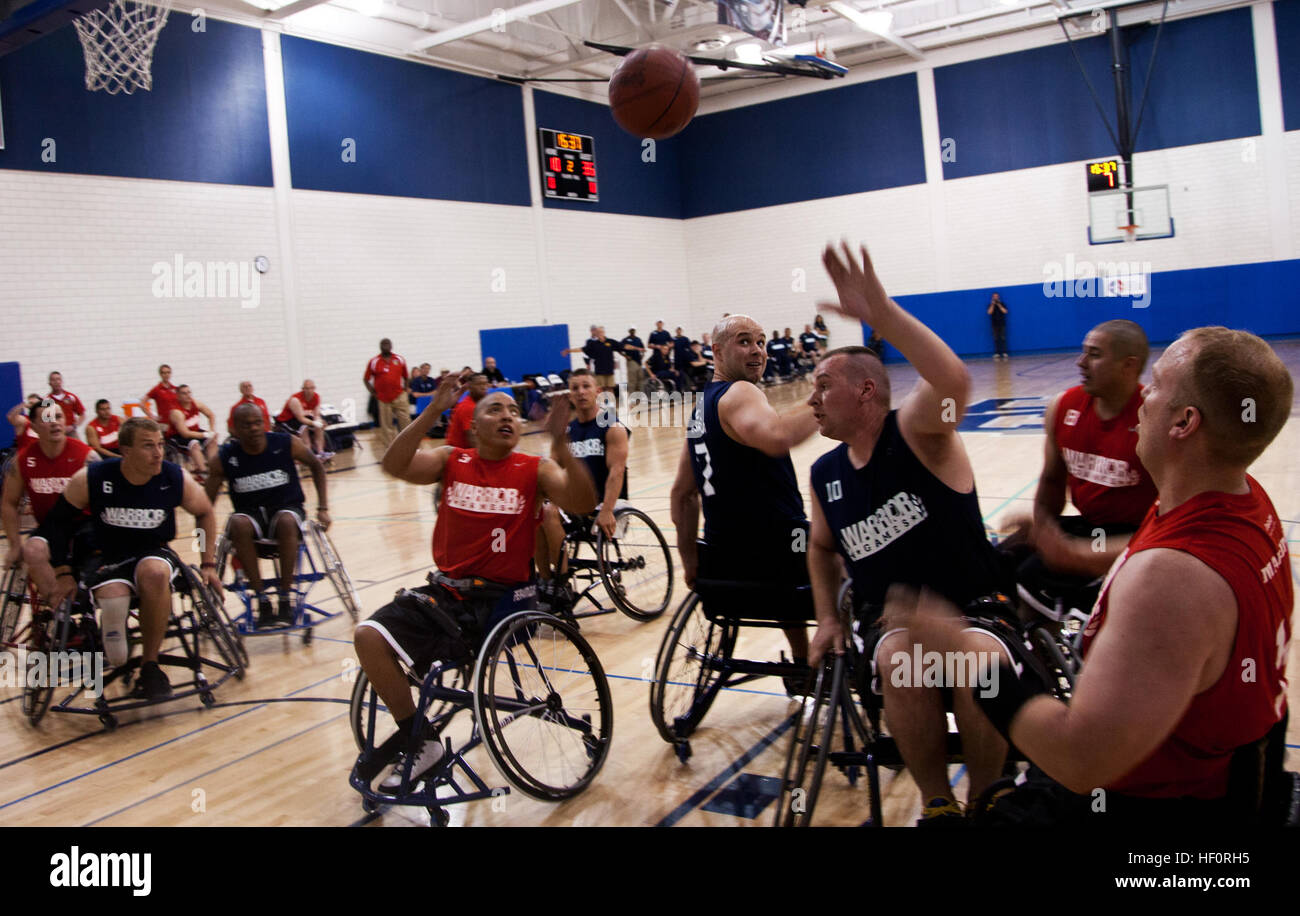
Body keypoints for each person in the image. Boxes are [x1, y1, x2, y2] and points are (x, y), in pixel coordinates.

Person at [902, 327, 1294, 826]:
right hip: (1236, 772)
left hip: (1166, 805)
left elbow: (1077, 760)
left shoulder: (1173, 578)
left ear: (1184, 422)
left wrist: (969, 655)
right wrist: (1074, 550)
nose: (1144, 397)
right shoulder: (1241, 498)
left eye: (1156, 384)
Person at [805, 243, 1016, 825]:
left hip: (976, 607)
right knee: (902, 656)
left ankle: (991, 797)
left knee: (970, 656)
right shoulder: (825, 473)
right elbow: (821, 550)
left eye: (824, 386)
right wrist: (826, 617)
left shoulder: (919, 432)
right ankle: (939, 805)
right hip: (890, 625)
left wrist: (883, 314)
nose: (811, 399)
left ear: (866, 391)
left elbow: (952, 379)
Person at [353, 373, 595, 789]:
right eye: (495, 409)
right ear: (472, 425)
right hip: (445, 592)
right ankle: (420, 739)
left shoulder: (534, 469)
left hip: (502, 602)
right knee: (367, 636)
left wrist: (562, 446)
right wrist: (430, 409)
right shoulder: (452, 460)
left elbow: (582, 502)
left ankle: (415, 736)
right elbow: (393, 464)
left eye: (515, 412)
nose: (508, 416)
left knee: (419, 640)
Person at [671, 314, 822, 692]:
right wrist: (824, 399)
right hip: (784, 553)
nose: (757, 350)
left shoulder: (699, 411)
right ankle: (837, 655)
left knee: (790, 543)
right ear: (717, 351)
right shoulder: (741, 393)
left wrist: (692, 561)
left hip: (726, 562)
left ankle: (801, 662)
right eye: (744, 341)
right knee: (858, 544)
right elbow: (775, 437)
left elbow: (683, 493)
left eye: (761, 341)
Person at [39, 417, 222, 700]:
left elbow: (205, 512)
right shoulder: (93, 477)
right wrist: (63, 572)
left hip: (154, 550)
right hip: (108, 555)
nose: (158, 453)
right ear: (126, 451)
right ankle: (119, 654)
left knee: (155, 572)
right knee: (114, 615)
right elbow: (57, 524)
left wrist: (207, 562)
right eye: (148, 446)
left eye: (160, 445)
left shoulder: (174, 477)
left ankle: (150, 665)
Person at [1003, 321, 1157, 616]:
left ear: (1128, 365)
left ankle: (1048, 649)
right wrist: (1042, 530)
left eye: (1094, 355)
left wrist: (1074, 555)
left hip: (1136, 536)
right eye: (1083, 353)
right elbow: (1051, 482)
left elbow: (1173, 520)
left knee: (1031, 582)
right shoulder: (1063, 407)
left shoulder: (1154, 421)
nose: (1080, 362)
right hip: (1088, 526)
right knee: (1005, 559)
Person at [205, 404, 329, 629]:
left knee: (286, 520)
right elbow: (204, 507)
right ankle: (261, 600)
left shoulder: (285, 443)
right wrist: (203, 545)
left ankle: (284, 597)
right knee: (238, 523)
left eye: (257, 422)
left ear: (265, 423)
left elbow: (316, 466)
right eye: (246, 424)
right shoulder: (225, 457)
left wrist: (323, 508)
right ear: (234, 430)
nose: (253, 428)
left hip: (287, 508)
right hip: (250, 517)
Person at [534, 369, 630, 606]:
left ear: (597, 391)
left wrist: (607, 510)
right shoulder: (568, 431)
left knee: (547, 513)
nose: (580, 392)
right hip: (574, 504)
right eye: (575, 388)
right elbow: (551, 468)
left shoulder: (612, 426)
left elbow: (617, 472)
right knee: (534, 512)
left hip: (607, 506)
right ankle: (547, 582)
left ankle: (562, 584)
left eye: (586, 386)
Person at [2, 402, 94, 600]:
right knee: (32, 550)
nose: (54, 423)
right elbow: (9, 502)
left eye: (58, 417)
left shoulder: (86, 455)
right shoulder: (23, 460)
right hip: (50, 528)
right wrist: (14, 544)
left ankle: (87, 606)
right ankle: (59, 611)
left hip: (85, 526)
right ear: (33, 426)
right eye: (47, 418)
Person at [363, 338, 410, 451]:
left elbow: (406, 377)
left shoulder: (399, 359)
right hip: (383, 398)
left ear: (391, 346)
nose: (385, 346)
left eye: (387, 344)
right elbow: (366, 379)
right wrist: (373, 393)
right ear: (380, 347)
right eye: (383, 344)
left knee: (405, 421)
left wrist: (405, 389)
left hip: (399, 396)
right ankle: (390, 449)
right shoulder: (374, 361)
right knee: (386, 425)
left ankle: (408, 444)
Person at [168, 385, 218, 476]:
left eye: (189, 392)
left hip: (194, 431)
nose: (188, 395)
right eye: (184, 393)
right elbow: (185, 434)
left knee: (213, 439)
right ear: (178, 396)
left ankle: (213, 468)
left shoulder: (196, 403)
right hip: (179, 435)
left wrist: (211, 430)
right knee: (194, 444)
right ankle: (203, 471)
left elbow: (211, 415)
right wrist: (205, 435)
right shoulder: (176, 412)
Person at [276, 380, 331, 460]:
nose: (309, 391)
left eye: (311, 388)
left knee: (319, 427)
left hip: (301, 418)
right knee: (303, 429)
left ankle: (320, 452)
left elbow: (316, 415)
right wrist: (313, 423)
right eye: (306, 388)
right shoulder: (295, 399)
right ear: (303, 389)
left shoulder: (316, 397)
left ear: (314, 388)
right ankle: (309, 454)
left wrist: (319, 422)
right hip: (286, 420)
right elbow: (300, 418)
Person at [563, 326, 622, 393]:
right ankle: (602, 402)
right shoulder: (593, 343)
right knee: (600, 388)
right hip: (599, 370)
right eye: (598, 332)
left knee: (610, 388)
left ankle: (611, 402)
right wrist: (569, 351)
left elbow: (620, 348)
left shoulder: (610, 342)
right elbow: (582, 349)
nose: (600, 334)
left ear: (604, 332)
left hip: (609, 370)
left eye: (601, 332)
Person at [445, 374, 489, 449]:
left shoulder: (481, 404)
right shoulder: (467, 407)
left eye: (485, 383)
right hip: (458, 452)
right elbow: (472, 440)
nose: (483, 387)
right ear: (470, 387)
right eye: (479, 384)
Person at [45, 372, 86, 437]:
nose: (56, 382)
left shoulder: (71, 397)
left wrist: (74, 426)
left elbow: (82, 414)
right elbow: (45, 419)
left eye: (58, 379)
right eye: (53, 380)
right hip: (55, 433)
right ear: (49, 383)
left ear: (62, 381)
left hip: (70, 432)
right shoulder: (46, 400)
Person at [988, 292, 1009, 359]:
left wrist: (999, 305)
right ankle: (997, 353)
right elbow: (989, 312)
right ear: (992, 297)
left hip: (1002, 324)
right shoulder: (990, 304)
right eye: (994, 296)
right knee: (996, 339)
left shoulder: (1002, 304)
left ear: (998, 297)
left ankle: (1004, 352)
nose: (995, 298)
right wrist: (993, 305)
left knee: (1003, 338)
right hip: (994, 324)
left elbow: (1005, 311)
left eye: (997, 296)